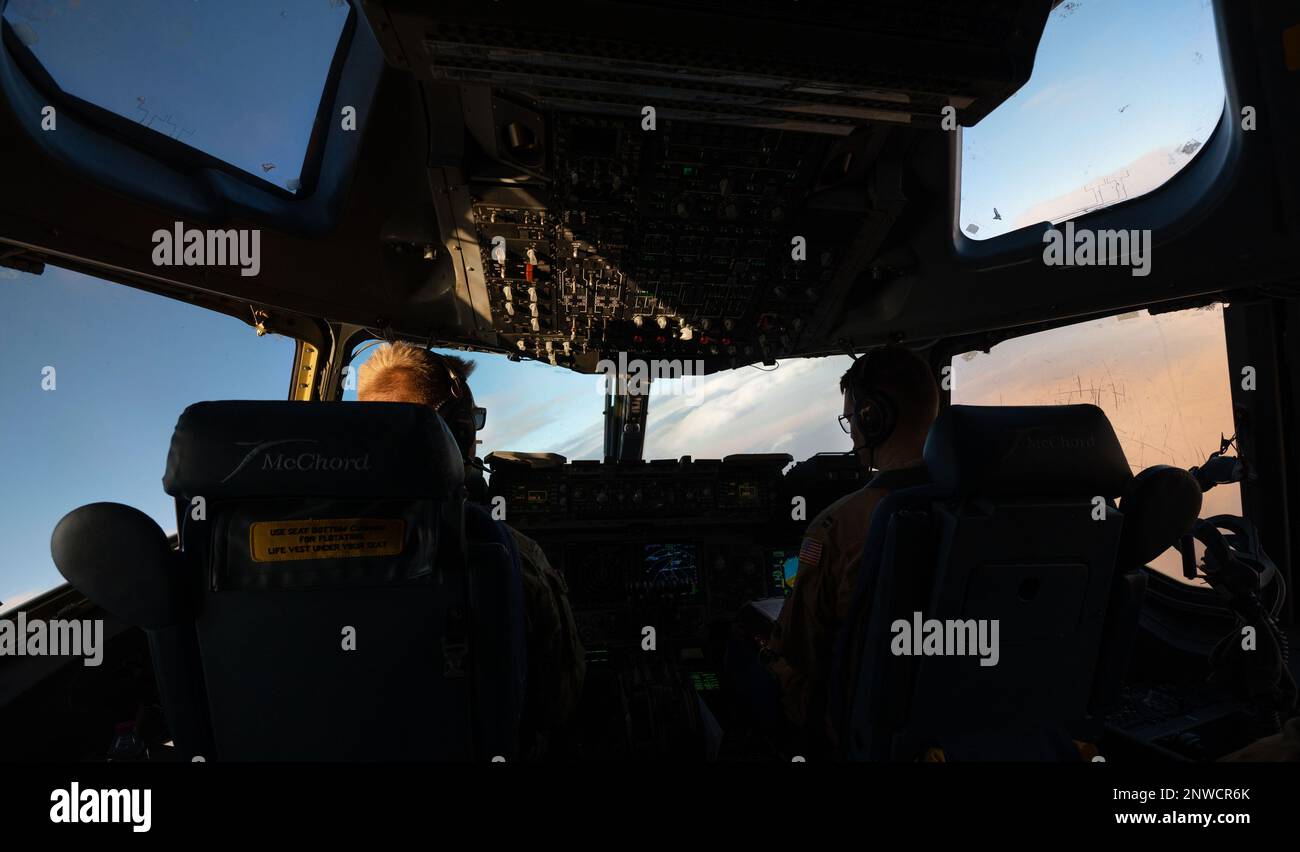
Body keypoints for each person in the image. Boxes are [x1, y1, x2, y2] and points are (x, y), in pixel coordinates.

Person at [356, 341, 585, 756]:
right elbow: (560, 702)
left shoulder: (263, 554)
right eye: (472, 424)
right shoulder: (505, 552)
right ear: (456, 434)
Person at [761, 345, 940, 749]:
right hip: (969, 725)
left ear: (872, 417)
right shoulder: (995, 508)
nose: (854, 432)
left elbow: (800, 651)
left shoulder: (837, 526)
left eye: (851, 418)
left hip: (870, 734)